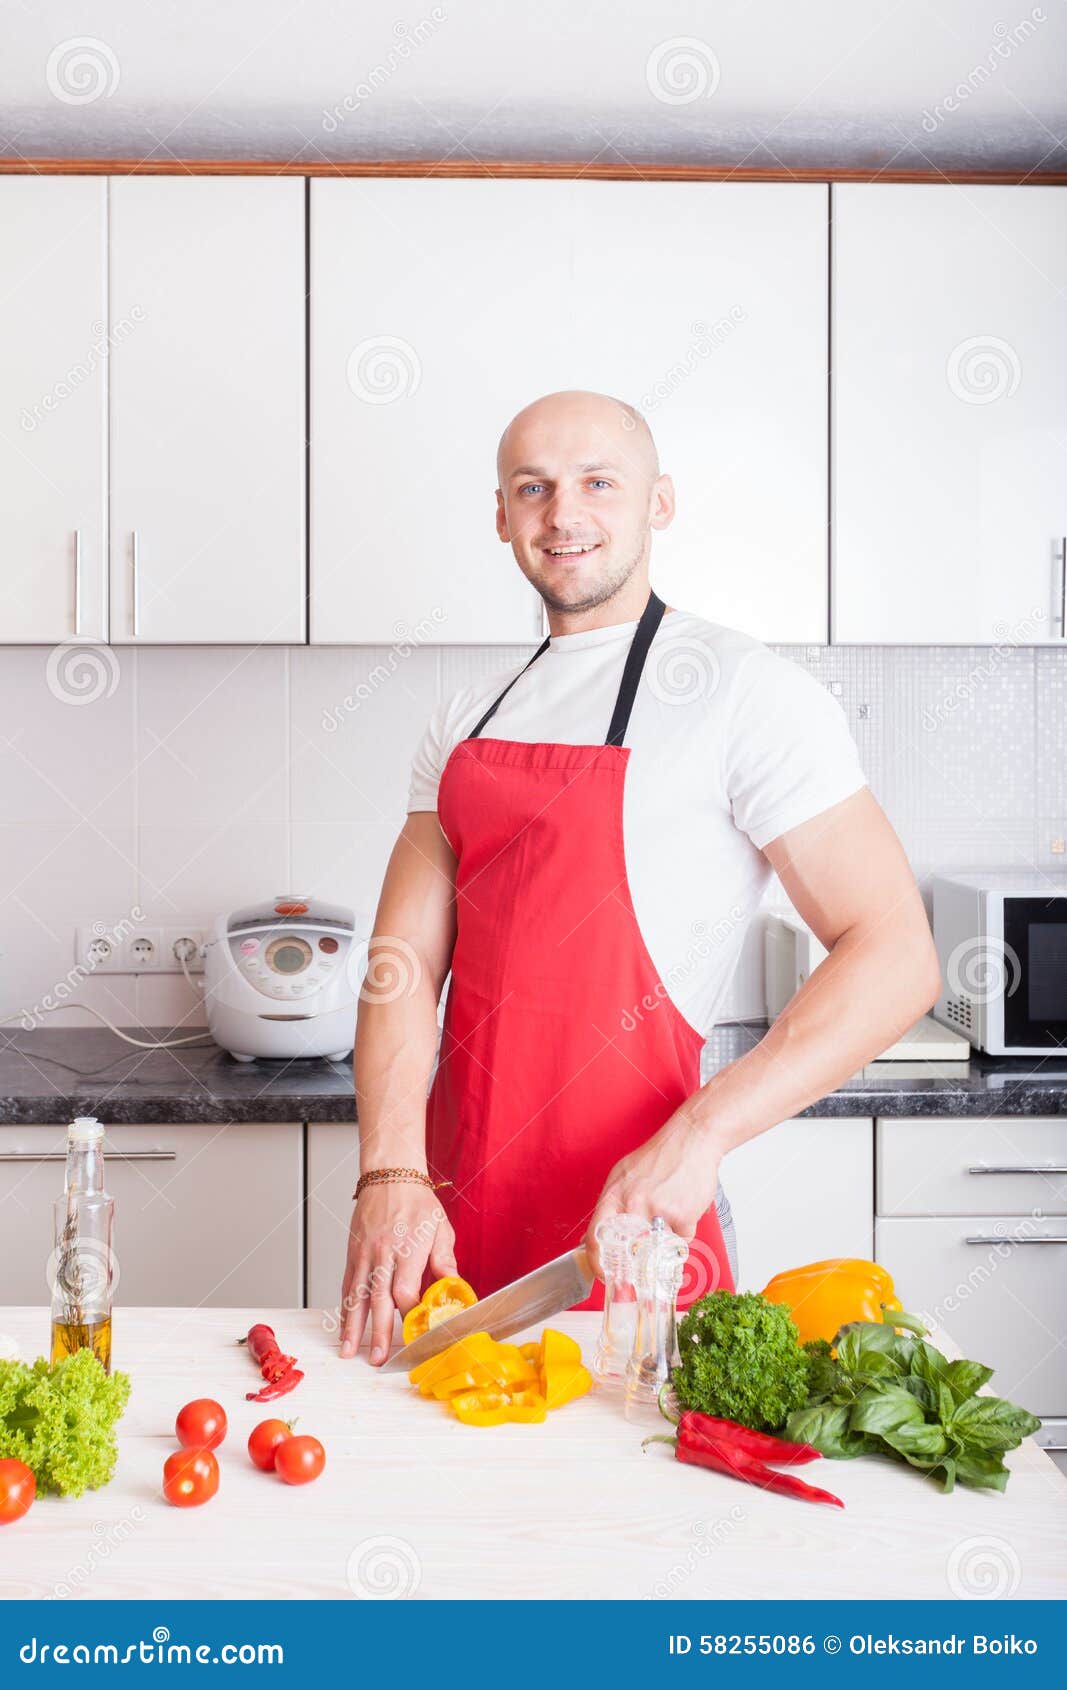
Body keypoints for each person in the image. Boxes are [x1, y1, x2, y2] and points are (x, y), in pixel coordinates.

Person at [339, 389, 939, 1363]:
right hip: (445, 1226)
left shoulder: (746, 693)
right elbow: (401, 957)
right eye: (530, 488)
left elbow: (896, 955)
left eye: (597, 483)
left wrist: (701, 1135)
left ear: (657, 502)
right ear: (499, 516)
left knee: (630, 1495)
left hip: (631, 1227)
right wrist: (389, 1174)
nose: (561, 514)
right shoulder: (465, 714)